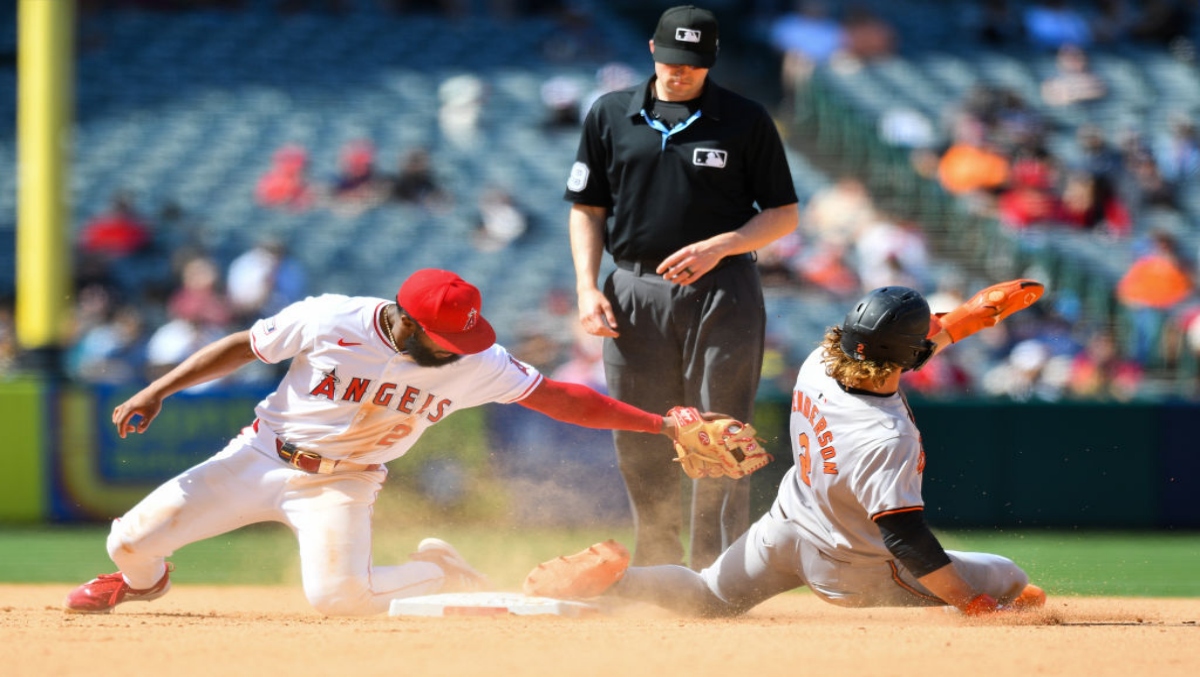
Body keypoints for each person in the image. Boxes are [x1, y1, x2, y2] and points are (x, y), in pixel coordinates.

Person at [62, 269, 701, 617]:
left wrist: (661, 423)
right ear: (405, 320)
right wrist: (159, 389)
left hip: (343, 481)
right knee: (128, 542)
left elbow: (564, 398)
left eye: (471, 337)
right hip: (259, 454)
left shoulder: (478, 360)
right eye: (452, 338)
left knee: (337, 599)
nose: (467, 350)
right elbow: (242, 345)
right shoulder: (330, 318)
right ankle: (144, 583)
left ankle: (437, 571)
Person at [525, 281, 1049, 618]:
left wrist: (964, 318)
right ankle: (995, 603)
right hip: (851, 567)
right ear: (910, 356)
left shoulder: (819, 363)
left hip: (783, 528)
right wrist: (972, 602)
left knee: (708, 594)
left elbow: (890, 349)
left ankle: (615, 583)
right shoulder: (887, 438)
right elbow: (906, 538)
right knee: (1008, 577)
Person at [564, 5, 799, 569]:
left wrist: (723, 245)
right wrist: (586, 287)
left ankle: (715, 571)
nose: (679, 72)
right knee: (641, 428)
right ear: (652, 50)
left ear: (710, 61)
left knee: (721, 429)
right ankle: (657, 563)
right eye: (671, 59)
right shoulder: (610, 114)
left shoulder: (744, 119)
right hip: (633, 291)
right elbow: (587, 208)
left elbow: (784, 214)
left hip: (723, 289)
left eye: (691, 64)